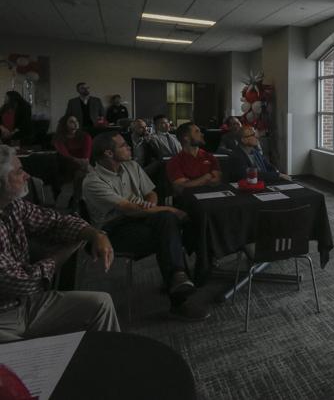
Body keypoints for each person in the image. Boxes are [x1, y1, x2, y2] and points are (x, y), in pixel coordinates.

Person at [82, 132, 209, 321]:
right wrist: (171, 210)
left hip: (141, 219)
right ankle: (180, 293)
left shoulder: (131, 165)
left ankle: (177, 278)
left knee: (167, 226)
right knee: (168, 229)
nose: (129, 147)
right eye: (124, 145)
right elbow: (130, 210)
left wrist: (155, 206)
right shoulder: (93, 181)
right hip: (111, 232)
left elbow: (151, 193)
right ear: (108, 153)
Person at [0, 145, 119, 342]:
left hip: (26, 304)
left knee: (101, 304)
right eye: (19, 171)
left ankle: (106, 371)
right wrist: (65, 252)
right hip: (4, 317)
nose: (27, 175)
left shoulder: (12, 205)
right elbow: (25, 282)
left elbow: (56, 221)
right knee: (33, 360)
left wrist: (95, 234)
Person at [166, 122, 222, 195]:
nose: (202, 134)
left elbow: (217, 180)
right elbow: (180, 188)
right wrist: (206, 177)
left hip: (211, 196)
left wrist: (191, 182)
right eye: (197, 131)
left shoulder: (209, 156)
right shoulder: (174, 161)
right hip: (189, 202)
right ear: (186, 138)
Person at [53, 115, 91, 209]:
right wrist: (80, 162)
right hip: (66, 165)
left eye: (76, 120)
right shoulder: (59, 138)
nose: (75, 123)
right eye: (71, 121)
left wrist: (84, 163)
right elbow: (65, 155)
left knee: (81, 174)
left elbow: (87, 155)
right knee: (81, 173)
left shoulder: (85, 136)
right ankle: (76, 202)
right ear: (64, 124)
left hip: (83, 165)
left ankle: (76, 202)